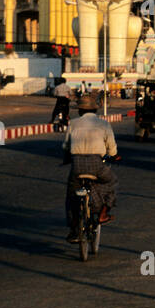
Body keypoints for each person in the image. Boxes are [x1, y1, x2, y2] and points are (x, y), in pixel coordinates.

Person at [61, 93, 121, 242]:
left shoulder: (73, 123)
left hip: (77, 165)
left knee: (71, 195)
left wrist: (68, 156)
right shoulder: (103, 124)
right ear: (95, 110)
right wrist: (113, 155)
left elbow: (66, 146)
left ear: (80, 110)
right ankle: (103, 213)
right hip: (96, 164)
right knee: (111, 182)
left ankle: (74, 230)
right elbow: (112, 149)